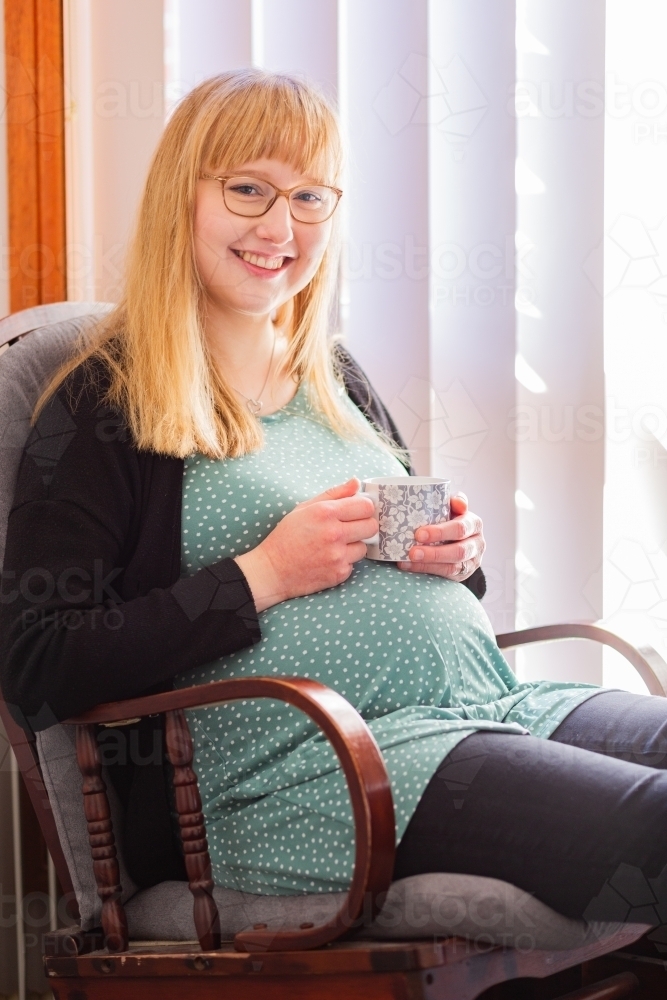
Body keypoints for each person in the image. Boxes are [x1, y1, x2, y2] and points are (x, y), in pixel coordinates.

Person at [2, 71, 667, 938]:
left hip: (487, 704)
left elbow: (427, 597)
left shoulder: (335, 373)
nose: (280, 228)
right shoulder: (104, 399)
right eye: (248, 189)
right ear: (183, 196)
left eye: (310, 196)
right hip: (305, 771)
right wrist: (260, 575)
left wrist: (453, 558)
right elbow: (36, 661)